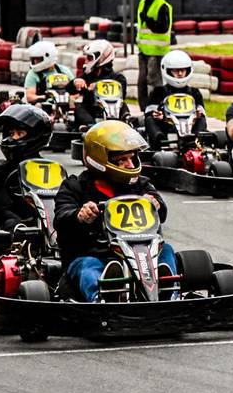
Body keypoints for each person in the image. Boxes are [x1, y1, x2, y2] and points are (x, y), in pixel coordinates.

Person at [54, 121, 176, 302]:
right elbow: (61, 218)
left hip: (141, 254)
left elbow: (161, 210)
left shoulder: (140, 184)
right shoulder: (75, 187)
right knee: (88, 266)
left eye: (131, 158)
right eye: (122, 160)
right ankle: (104, 295)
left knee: (165, 250)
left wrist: (155, 203)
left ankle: (168, 291)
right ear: (99, 160)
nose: (129, 164)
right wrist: (79, 215)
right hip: (94, 253)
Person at [0, 103, 52, 231]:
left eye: (19, 133)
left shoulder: (50, 169)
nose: (13, 138)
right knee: (11, 225)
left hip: (45, 223)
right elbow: (3, 211)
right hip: (11, 226)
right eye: (11, 133)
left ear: (35, 135)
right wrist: (21, 227)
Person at [141, 48, 207, 148]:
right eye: (176, 71)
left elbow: (201, 113)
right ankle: (159, 143)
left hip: (189, 126)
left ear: (188, 70)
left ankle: (199, 142)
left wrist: (197, 116)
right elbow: (149, 113)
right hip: (166, 128)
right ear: (167, 71)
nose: (180, 74)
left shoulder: (194, 92)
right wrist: (157, 115)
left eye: (183, 70)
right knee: (150, 120)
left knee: (202, 120)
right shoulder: (158, 92)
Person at [73, 39, 131, 129]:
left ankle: (127, 122)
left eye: (89, 58)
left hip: (113, 111)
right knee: (79, 108)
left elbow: (122, 95)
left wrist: (97, 86)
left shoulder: (118, 78)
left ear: (101, 58)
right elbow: (69, 89)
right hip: (92, 113)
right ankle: (91, 128)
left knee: (123, 104)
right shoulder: (86, 77)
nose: (86, 61)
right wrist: (76, 81)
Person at [134, 0, 173, 103]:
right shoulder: (142, 3)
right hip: (143, 50)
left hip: (156, 51)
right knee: (142, 81)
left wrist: (149, 21)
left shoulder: (162, 5)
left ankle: (156, 106)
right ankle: (144, 108)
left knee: (154, 81)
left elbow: (163, 27)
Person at [23, 42, 74, 107]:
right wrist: (46, 97)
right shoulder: (33, 74)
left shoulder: (64, 70)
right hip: (45, 105)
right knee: (38, 106)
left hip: (66, 103)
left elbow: (76, 90)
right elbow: (30, 96)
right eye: (34, 59)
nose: (35, 62)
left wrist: (70, 97)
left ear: (48, 56)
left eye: (38, 59)